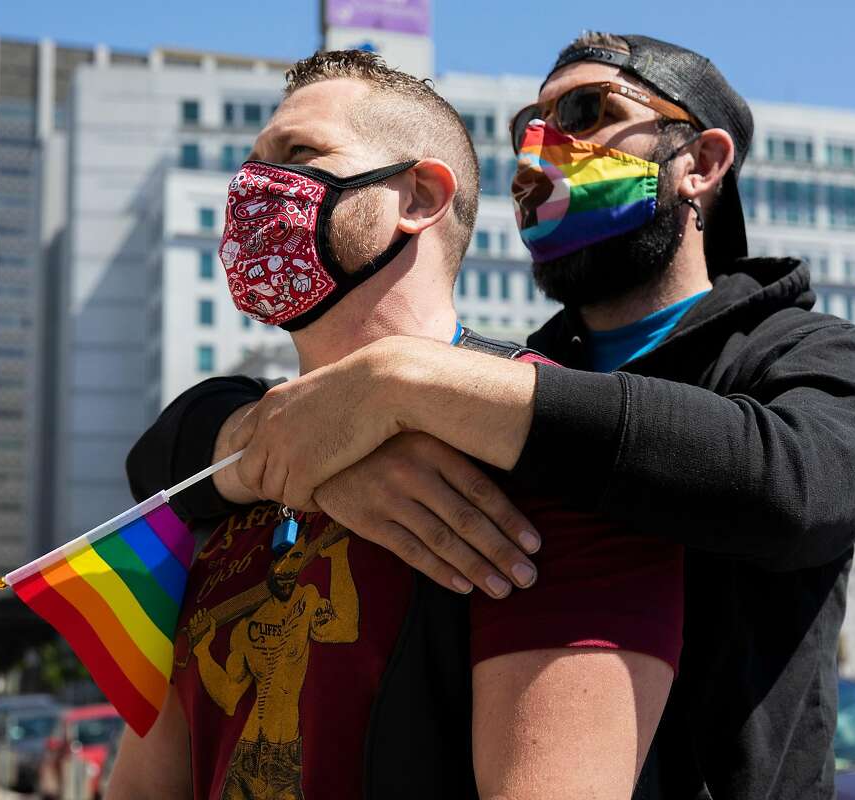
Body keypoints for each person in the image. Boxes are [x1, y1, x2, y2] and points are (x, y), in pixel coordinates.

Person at [134, 33, 855, 799]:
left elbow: (792, 486)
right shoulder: (496, 374)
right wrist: (320, 457)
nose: (539, 149)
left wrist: (400, 378)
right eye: (522, 131)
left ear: (700, 164)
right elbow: (164, 463)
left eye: (584, 110)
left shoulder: (807, 354)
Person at [113, 49, 683, 800]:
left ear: (417, 196)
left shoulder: (549, 458)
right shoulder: (216, 478)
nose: (252, 189)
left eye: (299, 156)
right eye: (251, 163)